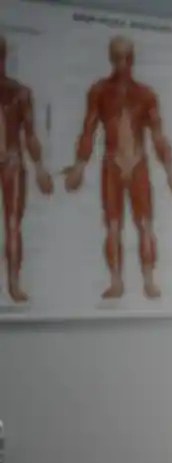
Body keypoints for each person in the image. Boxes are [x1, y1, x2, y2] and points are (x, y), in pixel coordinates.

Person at [63, 35, 172, 301]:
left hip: (138, 162)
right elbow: (89, 130)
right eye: (117, 58)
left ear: (133, 59)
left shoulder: (146, 94)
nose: (122, 64)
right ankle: (116, 281)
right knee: (114, 227)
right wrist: (79, 166)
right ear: (110, 59)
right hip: (113, 162)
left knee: (145, 226)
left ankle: (149, 280)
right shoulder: (99, 91)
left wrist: (171, 169)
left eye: (127, 58)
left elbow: (158, 135)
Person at [0, 34, 55, 304]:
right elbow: (30, 136)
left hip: (12, 160)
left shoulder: (21, 93)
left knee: (13, 225)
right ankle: (13, 284)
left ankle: (13, 283)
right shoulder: (20, 93)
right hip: (11, 160)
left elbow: (31, 135)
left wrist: (41, 168)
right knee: (12, 226)